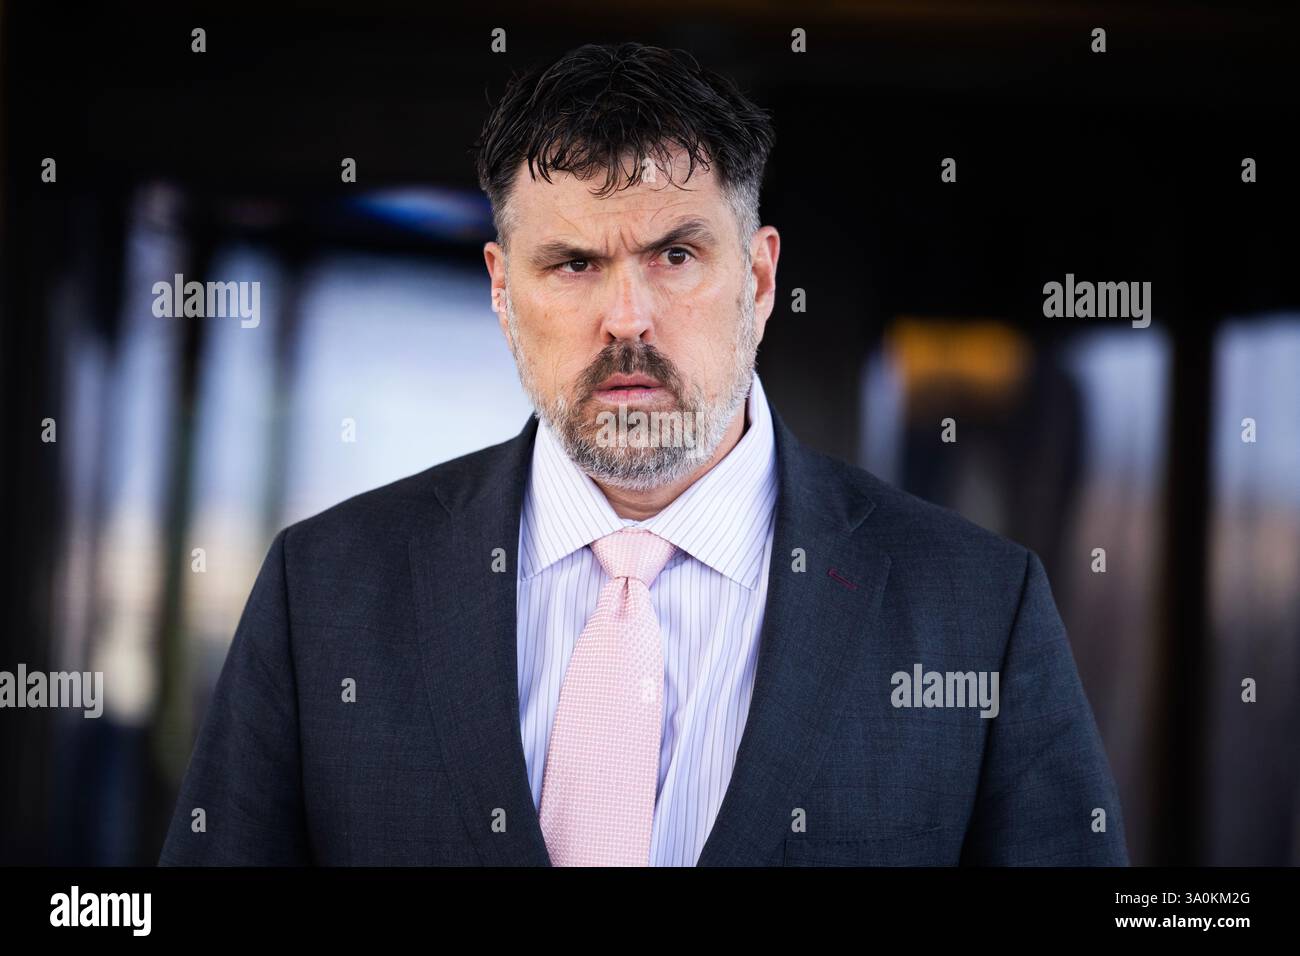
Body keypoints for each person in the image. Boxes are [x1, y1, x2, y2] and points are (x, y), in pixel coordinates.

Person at [160, 41, 1127, 867]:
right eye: (574, 264)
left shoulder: (978, 612)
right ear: (502, 293)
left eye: (674, 255)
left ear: (757, 278)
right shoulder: (321, 593)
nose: (628, 319)